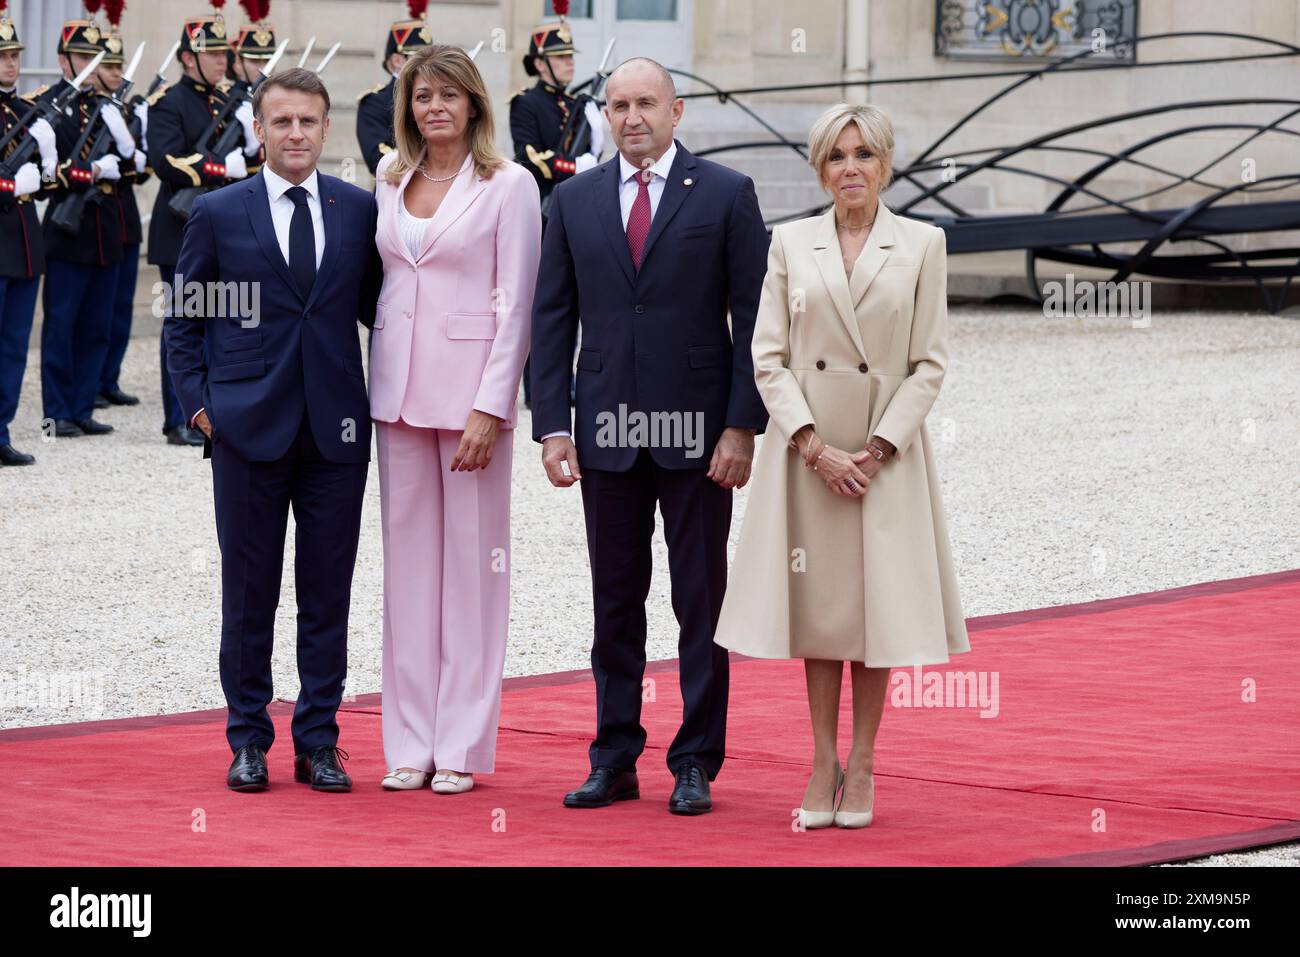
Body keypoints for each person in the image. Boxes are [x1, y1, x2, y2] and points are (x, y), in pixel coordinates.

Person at [713, 104, 970, 829]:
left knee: (877, 607)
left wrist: (880, 447)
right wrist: (812, 446)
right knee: (822, 611)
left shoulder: (923, 243)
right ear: (820, 168)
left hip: (884, 455)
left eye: (863, 154)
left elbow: (930, 362)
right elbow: (766, 355)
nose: (850, 168)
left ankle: (863, 760)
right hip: (810, 452)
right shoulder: (790, 243)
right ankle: (821, 758)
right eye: (836, 156)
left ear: (884, 164)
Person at [530, 57, 769, 815]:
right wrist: (552, 424)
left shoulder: (728, 195)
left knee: (700, 602)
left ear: (678, 110)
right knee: (614, 603)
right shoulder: (572, 198)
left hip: (699, 434)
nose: (631, 117)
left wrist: (741, 424)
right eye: (617, 105)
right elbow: (550, 317)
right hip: (605, 431)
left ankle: (696, 758)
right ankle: (614, 756)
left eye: (645, 104)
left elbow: (754, 320)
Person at [164, 68, 382, 794]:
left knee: (328, 594)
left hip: (335, 436)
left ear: (326, 129)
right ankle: (248, 737)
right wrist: (200, 406)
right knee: (250, 592)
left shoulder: (357, 212)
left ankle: (319, 738)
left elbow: (385, 311)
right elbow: (186, 318)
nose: (295, 134)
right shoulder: (221, 212)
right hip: (246, 433)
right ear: (258, 129)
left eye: (308, 122)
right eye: (281, 121)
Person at [369, 45, 540, 795]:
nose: (434, 107)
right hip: (395, 396)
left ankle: (462, 742)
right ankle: (408, 739)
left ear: (474, 104)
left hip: (470, 398)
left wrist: (491, 404)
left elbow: (518, 302)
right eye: (422, 95)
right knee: (407, 574)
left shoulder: (510, 185)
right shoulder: (389, 178)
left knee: (472, 572)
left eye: (448, 95)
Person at [148, 11, 259, 447]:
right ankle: (181, 417)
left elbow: (252, 166)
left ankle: (220, 409)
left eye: (222, 52)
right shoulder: (167, 103)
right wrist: (218, 167)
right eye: (211, 53)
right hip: (179, 228)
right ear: (186, 58)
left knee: (225, 318)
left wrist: (253, 148)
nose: (221, 60)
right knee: (183, 322)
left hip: (225, 229)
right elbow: (166, 162)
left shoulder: (232, 100)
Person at [38, 17, 135, 440]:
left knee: (97, 325)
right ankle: (56, 412)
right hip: (67, 230)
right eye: (82, 57)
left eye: (95, 59)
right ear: (63, 60)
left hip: (105, 229)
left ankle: (82, 406)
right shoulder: (46, 106)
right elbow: (43, 173)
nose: (91, 67)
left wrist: (121, 159)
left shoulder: (109, 109)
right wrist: (86, 170)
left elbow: (135, 164)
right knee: (61, 326)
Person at [509, 10, 600, 407]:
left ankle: (571, 381)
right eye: (561, 57)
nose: (570, 62)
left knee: (578, 297)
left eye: (570, 56)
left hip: (578, 210)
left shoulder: (579, 106)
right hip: (544, 213)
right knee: (545, 302)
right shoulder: (526, 104)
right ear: (541, 63)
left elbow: (593, 153)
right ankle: (541, 386)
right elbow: (530, 159)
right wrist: (574, 166)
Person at [0, 4, 55, 466]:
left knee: (15, 343)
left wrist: (49, 163)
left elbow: (50, 181)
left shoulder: (28, 112)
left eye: (15, 55)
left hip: (23, 241)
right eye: (2, 56)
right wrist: (10, 185)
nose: (11, 63)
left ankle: (0, 429)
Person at [96, 8, 150, 411]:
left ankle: (108, 378)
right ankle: (90, 383)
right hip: (90, 218)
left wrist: (137, 142)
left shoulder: (125, 110)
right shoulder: (86, 111)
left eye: (119, 66)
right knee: (91, 310)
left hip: (123, 216)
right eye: (108, 66)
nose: (116, 74)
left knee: (118, 309)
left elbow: (141, 172)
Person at [356, 1, 434, 177]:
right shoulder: (375, 102)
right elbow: (378, 160)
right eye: (420, 58)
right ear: (398, 60)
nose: (430, 65)